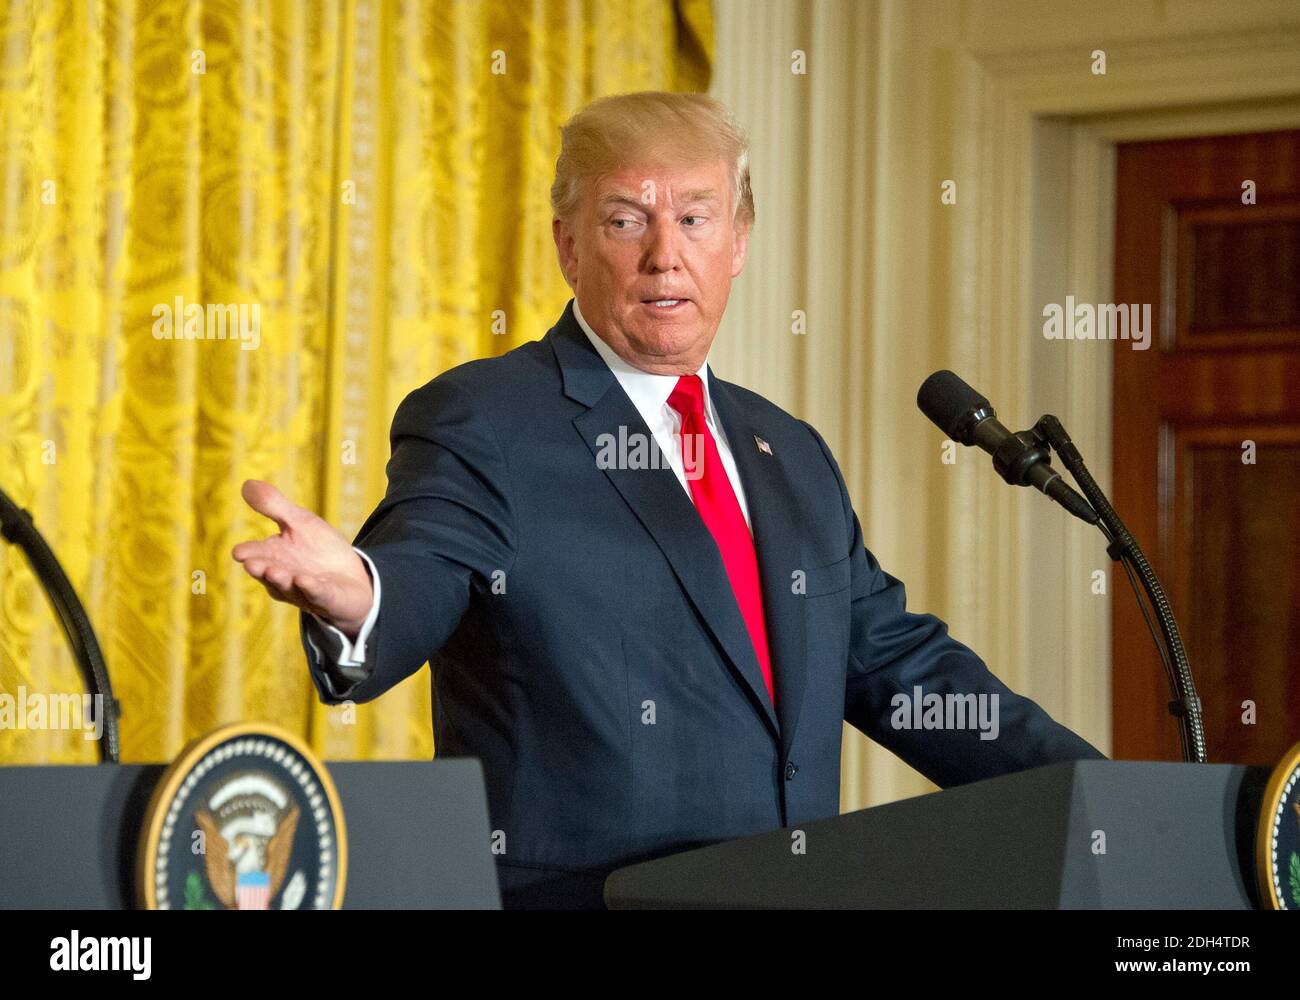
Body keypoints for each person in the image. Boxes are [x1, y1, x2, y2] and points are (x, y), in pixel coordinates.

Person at [233, 91, 1104, 909]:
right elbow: (423, 567)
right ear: (567, 245)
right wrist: (362, 595)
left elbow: (897, 669)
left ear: (739, 241)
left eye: (694, 218)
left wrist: (1100, 796)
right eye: (625, 221)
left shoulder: (788, 451)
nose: (665, 254)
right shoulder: (486, 420)